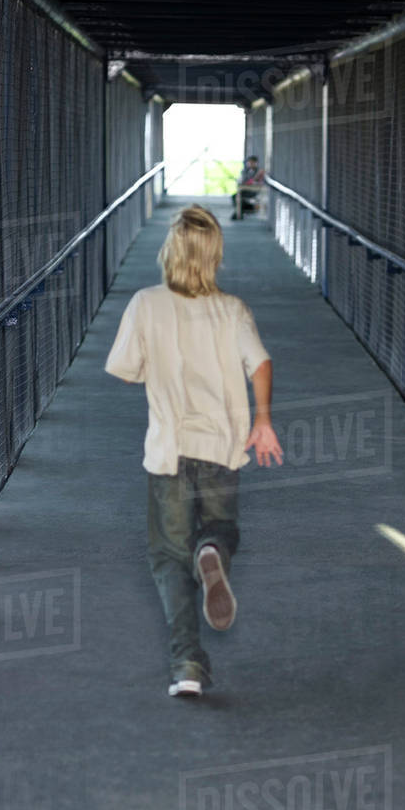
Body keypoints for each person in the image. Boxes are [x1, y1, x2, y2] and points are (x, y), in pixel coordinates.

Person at [104, 204, 283, 698]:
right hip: (222, 448)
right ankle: (213, 551)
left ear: (171, 252)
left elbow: (125, 368)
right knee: (222, 528)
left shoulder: (145, 304)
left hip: (169, 451)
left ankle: (188, 664)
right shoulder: (233, 310)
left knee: (166, 556)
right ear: (215, 256)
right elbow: (261, 365)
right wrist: (262, 421)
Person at [231, 154, 265, 220]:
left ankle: (239, 213)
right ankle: (239, 212)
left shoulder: (259, 171)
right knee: (235, 196)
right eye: (249, 162)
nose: (250, 164)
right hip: (245, 189)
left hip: (254, 191)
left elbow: (259, 182)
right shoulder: (245, 171)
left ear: (256, 163)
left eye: (252, 162)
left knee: (240, 198)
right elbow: (242, 180)